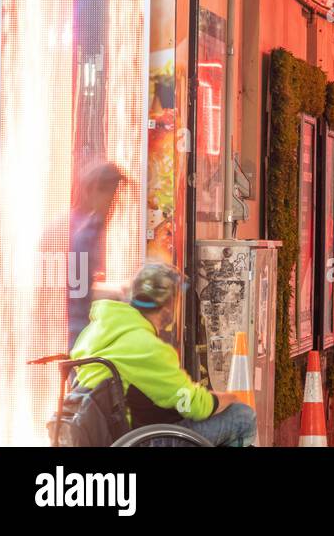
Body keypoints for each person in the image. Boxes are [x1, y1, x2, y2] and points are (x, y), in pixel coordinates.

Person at [70, 262, 256, 446]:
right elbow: (196, 406)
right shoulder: (148, 347)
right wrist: (228, 398)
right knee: (241, 416)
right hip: (139, 441)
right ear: (168, 305)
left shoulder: (94, 332)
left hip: (105, 434)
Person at [67, 162, 127, 351]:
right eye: (110, 196)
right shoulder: (84, 232)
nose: (113, 203)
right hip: (83, 332)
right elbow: (79, 291)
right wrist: (121, 293)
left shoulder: (89, 227)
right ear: (92, 191)